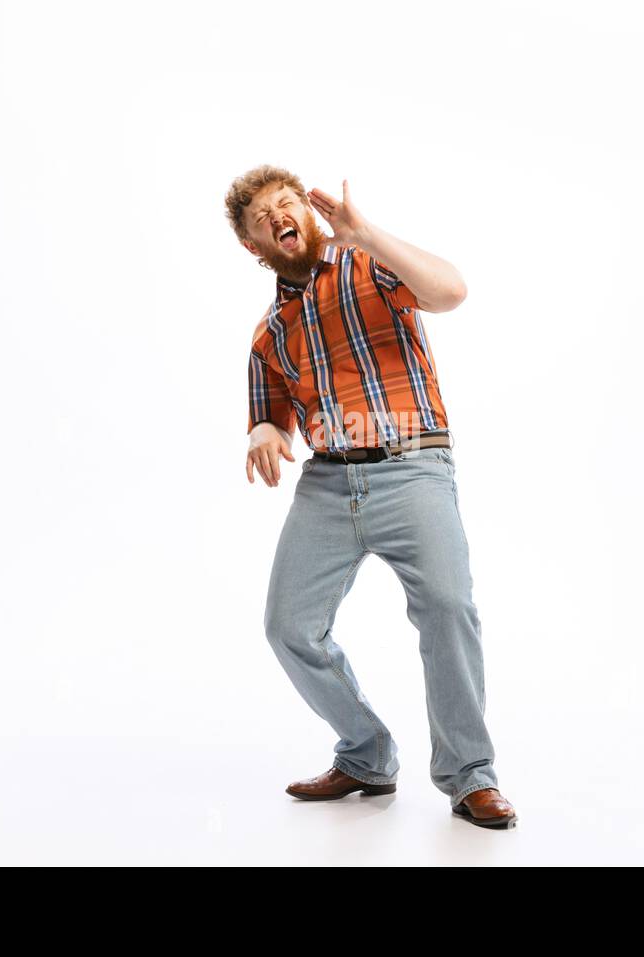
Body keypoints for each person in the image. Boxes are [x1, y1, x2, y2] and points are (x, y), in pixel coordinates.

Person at [225, 165, 517, 829]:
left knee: (447, 608)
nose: (276, 215)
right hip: (328, 481)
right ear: (254, 246)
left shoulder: (368, 266)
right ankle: (365, 752)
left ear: (309, 210)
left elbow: (451, 291)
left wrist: (368, 235)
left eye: (285, 201)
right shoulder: (270, 332)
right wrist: (265, 429)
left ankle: (470, 776)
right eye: (260, 217)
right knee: (288, 626)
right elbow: (272, 416)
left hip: (413, 465)